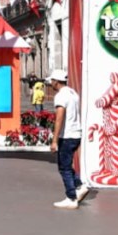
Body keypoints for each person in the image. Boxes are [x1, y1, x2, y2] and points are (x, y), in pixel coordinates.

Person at [47, 69, 90, 209]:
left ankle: (71, 198)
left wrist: (54, 140)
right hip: (76, 134)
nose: (51, 83)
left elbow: (59, 117)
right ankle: (80, 186)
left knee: (64, 167)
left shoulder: (61, 96)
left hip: (67, 135)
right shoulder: (73, 93)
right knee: (66, 164)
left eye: (52, 81)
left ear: (56, 81)